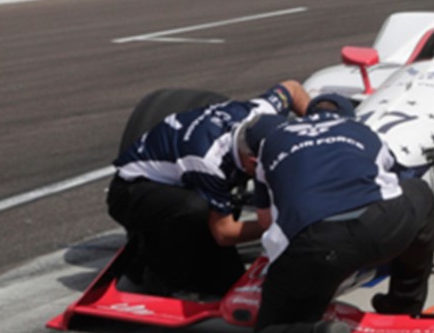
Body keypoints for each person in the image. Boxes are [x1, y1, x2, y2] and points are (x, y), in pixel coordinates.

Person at [237, 109, 434, 333]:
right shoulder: (360, 128)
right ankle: (405, 303)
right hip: (382, 225)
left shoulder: (268, 149)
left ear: (252, 157)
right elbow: (392, 180)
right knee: (419, 192)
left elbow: (267, 221)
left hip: (320, 244)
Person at [106, 81, 308, 296]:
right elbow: (224, 233)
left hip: (185, 174)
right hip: (133, 193)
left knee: (229, 280)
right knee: (195, 211)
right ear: (251, 161)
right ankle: (153, 268)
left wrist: (325, 125)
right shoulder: (207, 162)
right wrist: (280, 223)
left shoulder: (261, 111)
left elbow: (293, 88)